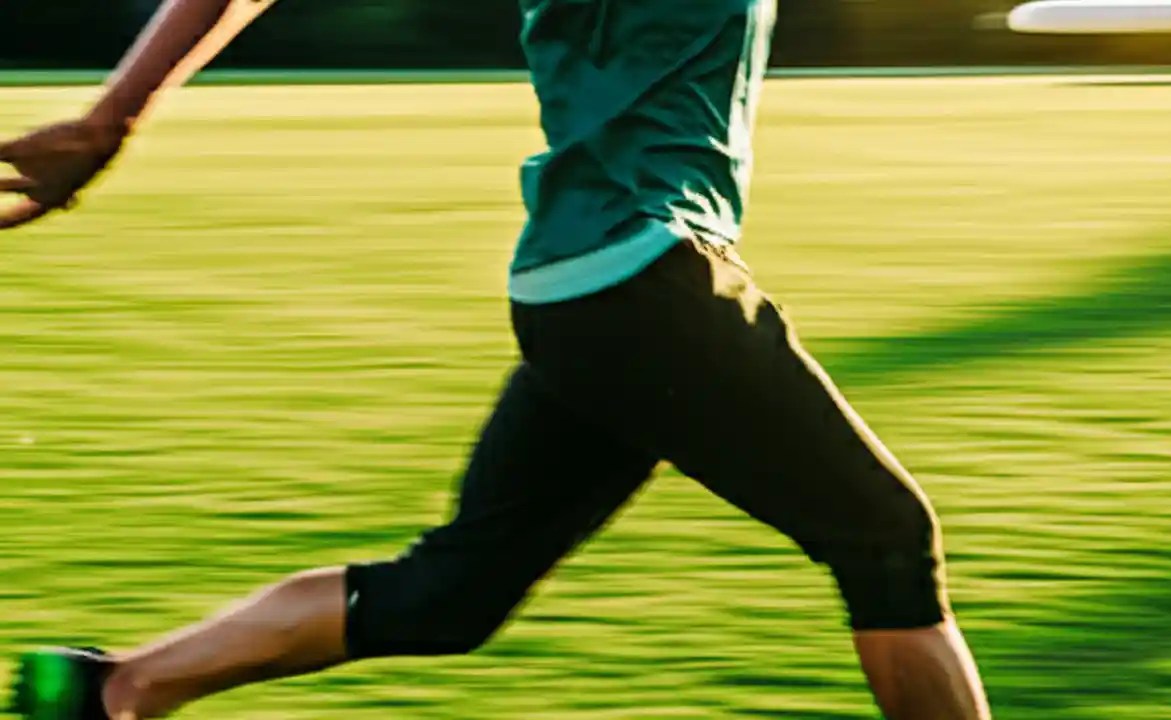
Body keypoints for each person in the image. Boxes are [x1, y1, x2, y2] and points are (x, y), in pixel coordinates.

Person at [0, 1, 992, 718]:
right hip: (648, 275)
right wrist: (108, 117)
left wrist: (114, 117)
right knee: (884, 539)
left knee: (449, 596)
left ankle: (105, 692)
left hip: (576, 286)